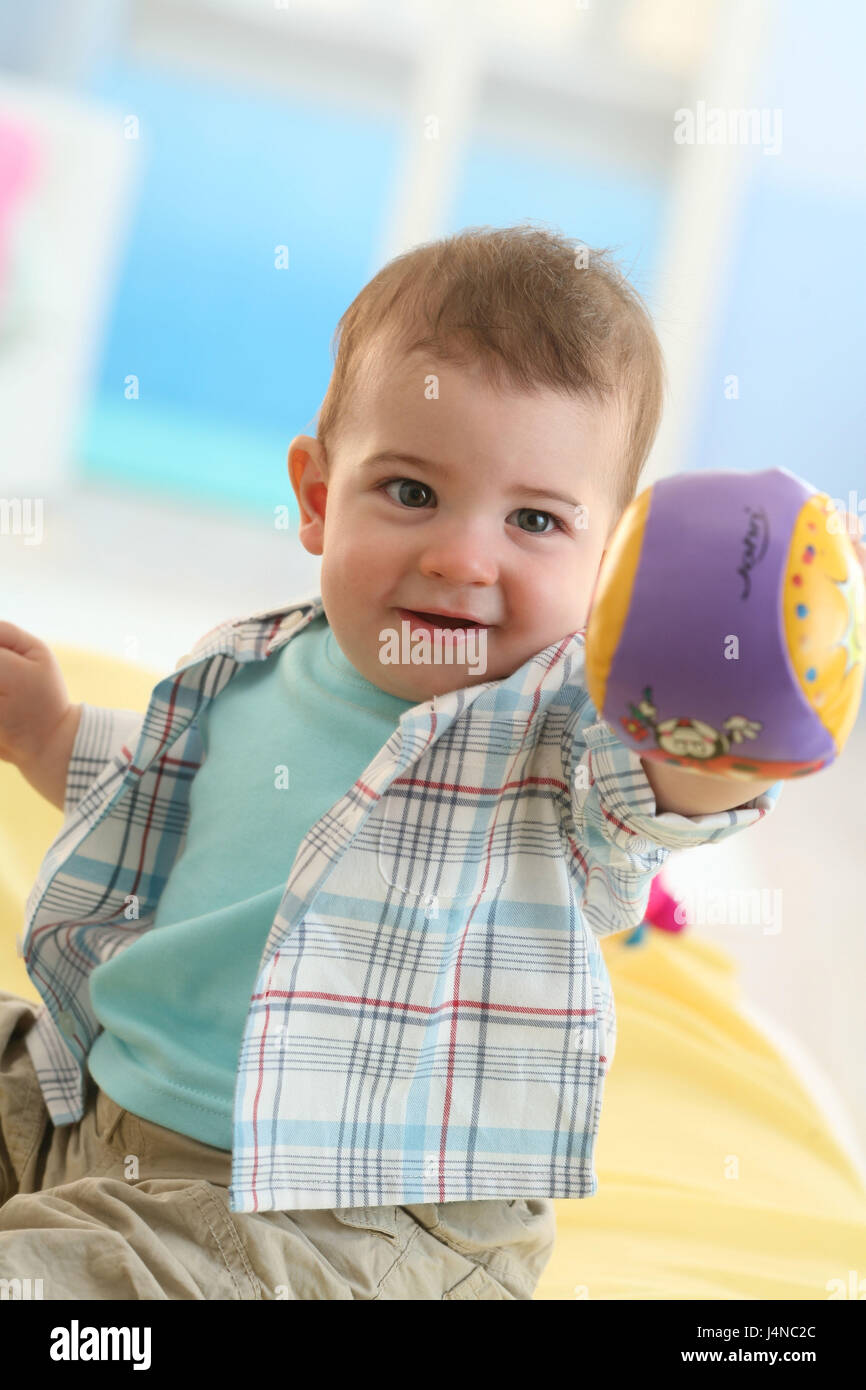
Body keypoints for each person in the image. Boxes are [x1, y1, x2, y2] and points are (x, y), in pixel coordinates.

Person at [0, 224, 802, 1299]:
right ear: (320, 498)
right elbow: (168, 805)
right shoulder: (248, 662)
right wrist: (46, 730)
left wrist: (721, 733)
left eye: (533, 519)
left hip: (344, 1224)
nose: (463, 556)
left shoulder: (556, 742)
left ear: (606, 565)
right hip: (96, 1106)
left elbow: (664, 801)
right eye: (412, 493)